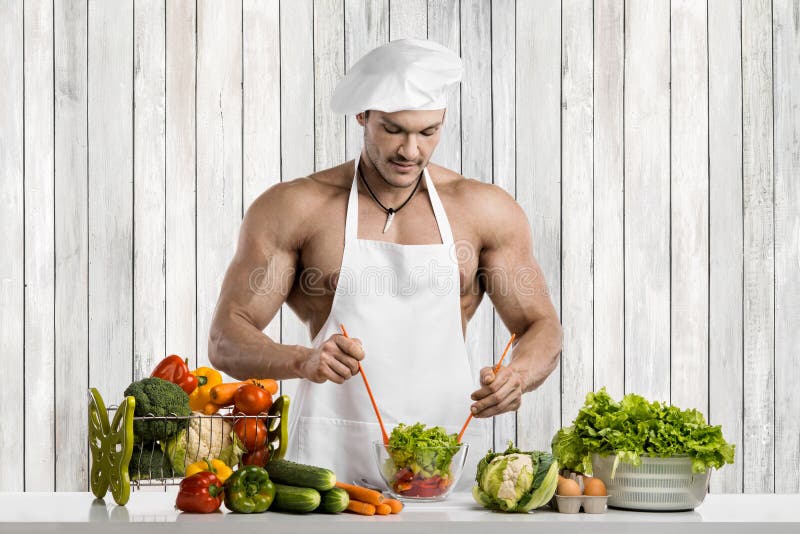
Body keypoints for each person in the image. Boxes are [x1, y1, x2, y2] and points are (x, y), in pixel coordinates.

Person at [209, 39, 562, 487]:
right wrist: (303, 360)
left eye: (428, 132)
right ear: (362, 115)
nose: (411, 151)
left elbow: (542, 325)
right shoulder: (295, 207)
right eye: (393, 130)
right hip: (326, 470)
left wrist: (519, 376)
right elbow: (225, 337)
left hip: (445, 465)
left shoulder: (485, 210)